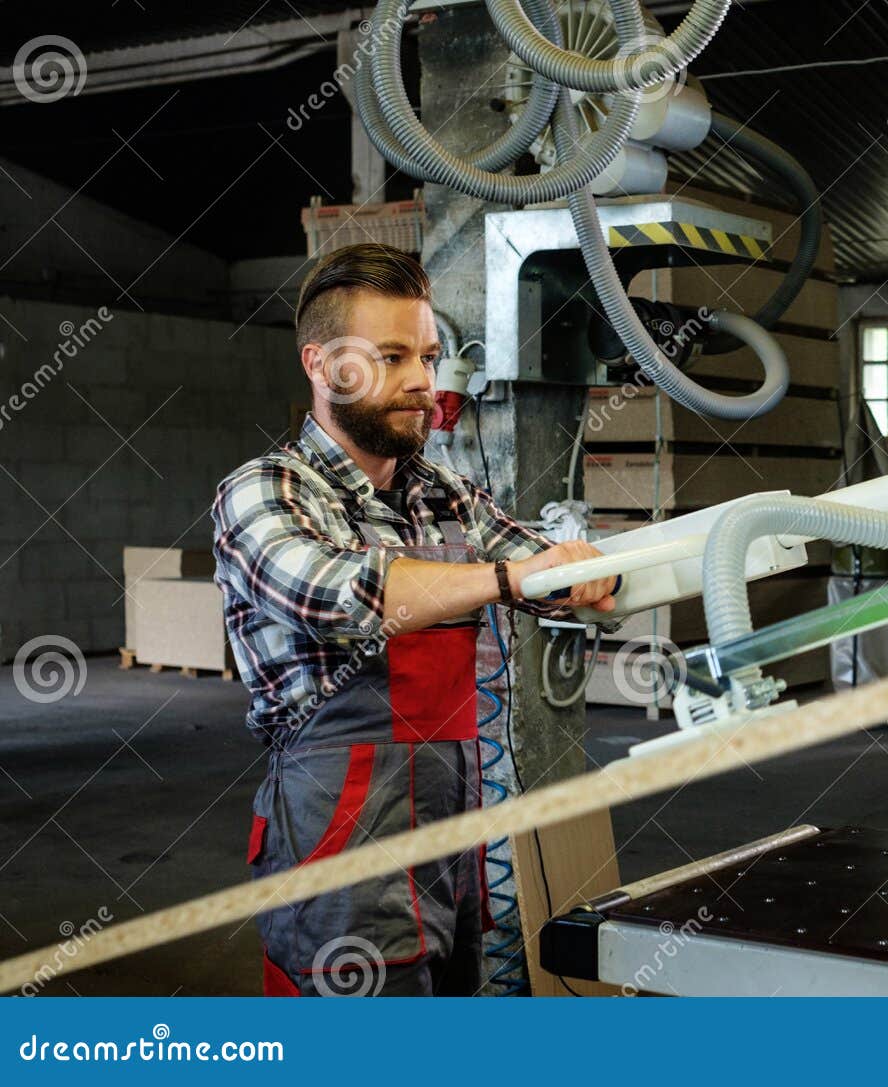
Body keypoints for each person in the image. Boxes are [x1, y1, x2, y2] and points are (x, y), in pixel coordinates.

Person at [211, 243, 617, 996]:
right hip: (341, 856)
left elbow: (544, 568)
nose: (423, 382)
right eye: (392, 357)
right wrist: (508, 578)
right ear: (321, 364)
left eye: (427, 357)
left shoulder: (445, 494)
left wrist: (595, 570)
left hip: (446, 847)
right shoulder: (266, 492)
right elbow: (336, 593)